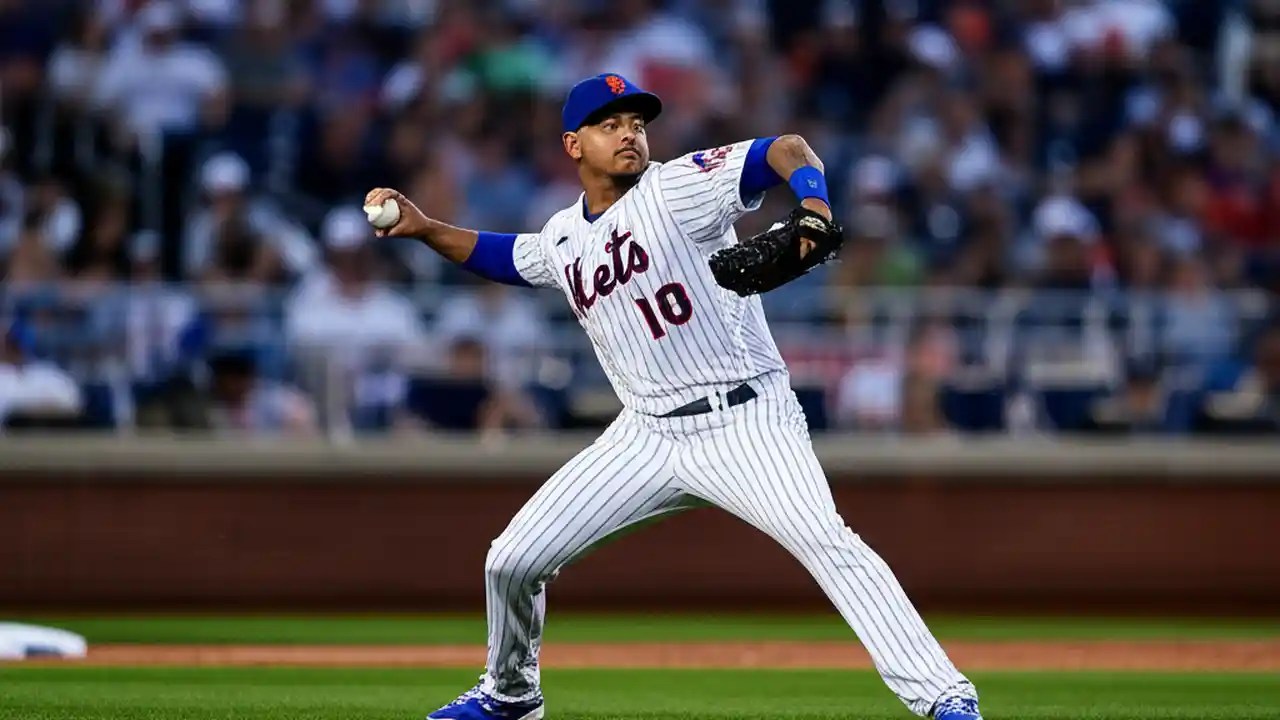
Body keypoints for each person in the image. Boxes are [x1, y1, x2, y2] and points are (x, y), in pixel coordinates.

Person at [364, 73, 982, 720]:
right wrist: (426, 227)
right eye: (611, 125)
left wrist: (815, 207)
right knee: (512, 562)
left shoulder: (680, 186)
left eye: (637, 123)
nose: (630, 134)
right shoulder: (565, 236)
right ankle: (511, 695)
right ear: (574, 145)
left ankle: (945, 696)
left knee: (830, 543)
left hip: (745, 419)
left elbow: (788, 148)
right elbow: (508, 257)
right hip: (647, 433)